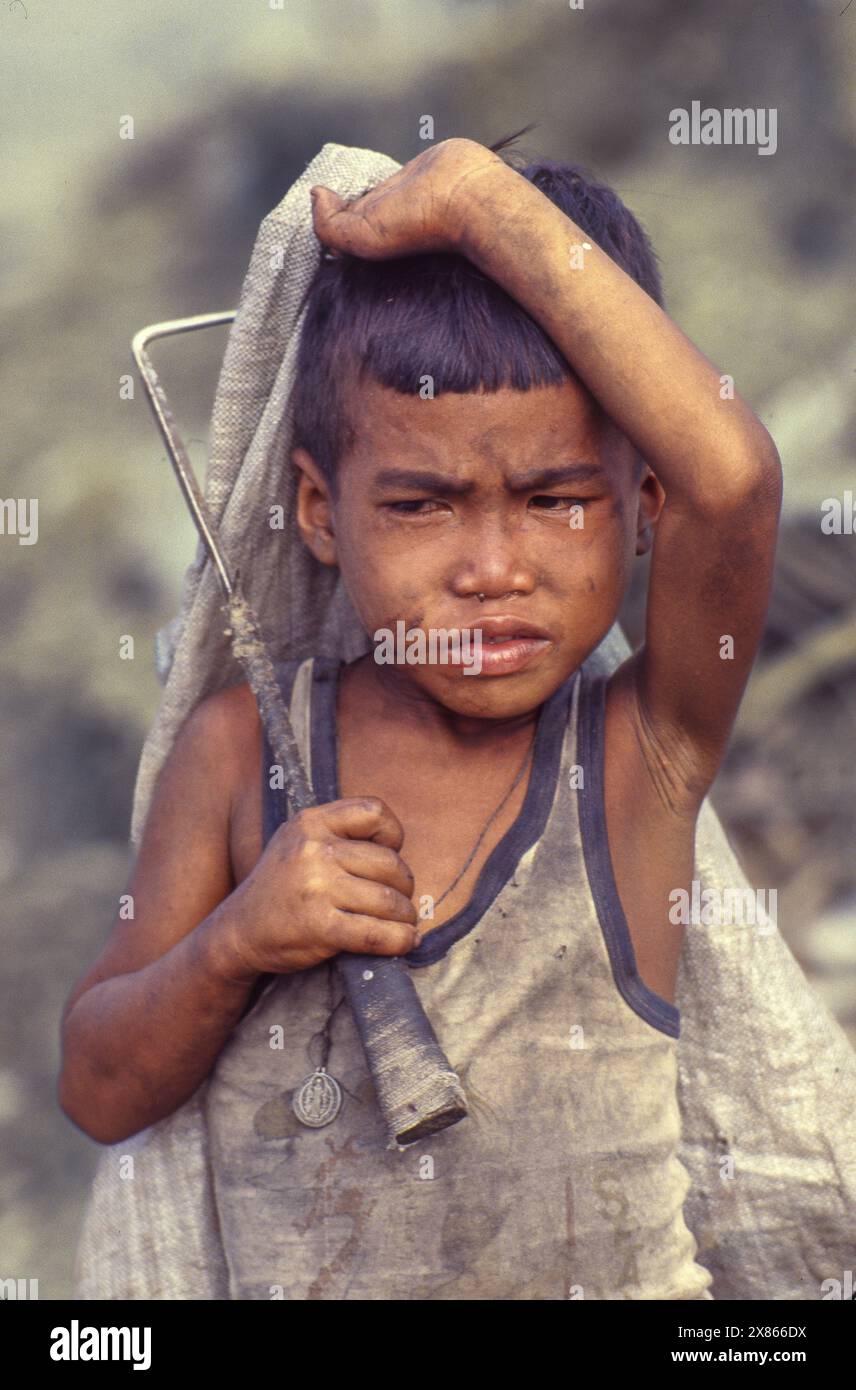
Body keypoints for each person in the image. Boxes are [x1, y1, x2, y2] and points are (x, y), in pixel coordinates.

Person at [59, 135, 783, 1299]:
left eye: (556, 501)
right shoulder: (245, 754)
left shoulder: (642, 750)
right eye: (422, 505)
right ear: (319, 511)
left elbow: (735, 479)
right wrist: (236, 938)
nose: (492, 568)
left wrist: (481, 208)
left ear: (643, 504)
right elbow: (99, 1086)